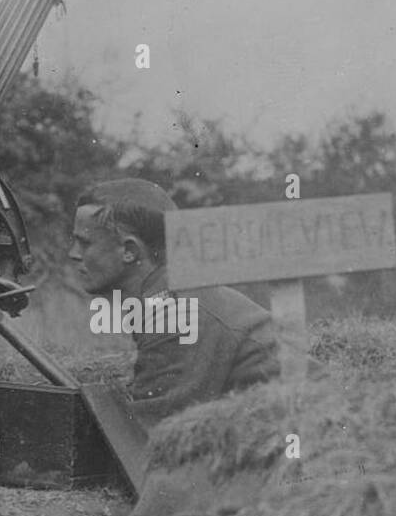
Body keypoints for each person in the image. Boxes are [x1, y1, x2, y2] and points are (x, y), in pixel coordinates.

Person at [69, 178, 280, 427]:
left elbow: (155, 435)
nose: (73, 253)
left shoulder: (174, 316)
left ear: (129, 251)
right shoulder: (170, 294)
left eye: (85, 243)